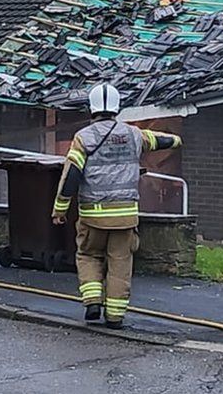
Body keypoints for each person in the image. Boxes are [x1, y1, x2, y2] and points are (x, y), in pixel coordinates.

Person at [52, 83, 182, 329]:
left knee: (89, 255)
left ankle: (92, 301)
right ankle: (115, 316)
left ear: (91, 108)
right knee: (120, 263)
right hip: (125, 217)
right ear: (117, 107)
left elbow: (70, 176)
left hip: (93, 216)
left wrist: (60, 209)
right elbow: (158, 140)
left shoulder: (84, 138)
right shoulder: (133, 134)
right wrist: (176, 139)